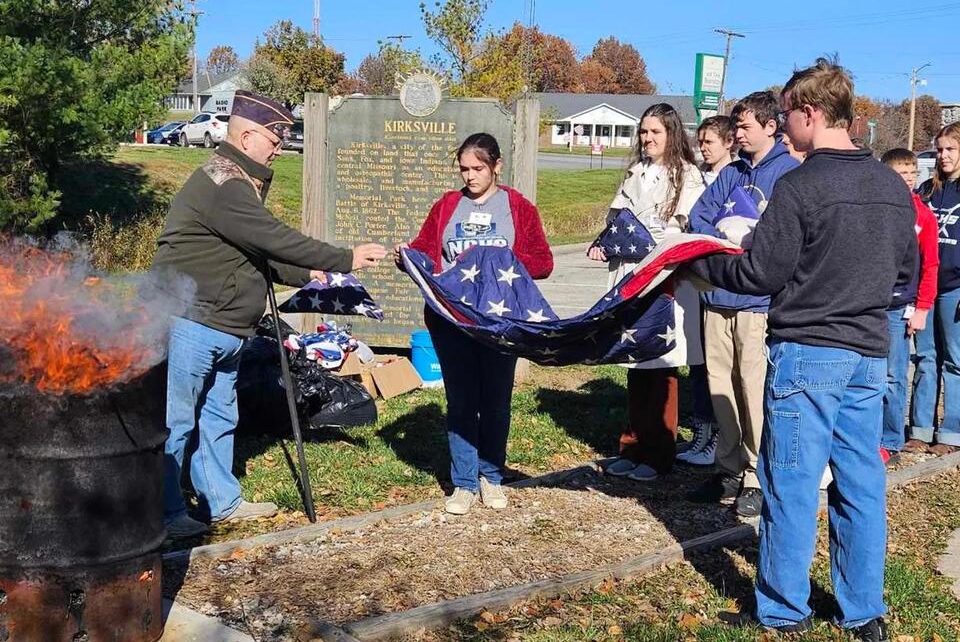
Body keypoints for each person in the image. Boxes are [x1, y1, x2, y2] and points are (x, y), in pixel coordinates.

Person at [689, 58, 915, 639]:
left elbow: (760, 273)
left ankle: (783, 609)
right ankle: (864, 611)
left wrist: (698, 264)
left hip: (807, 353)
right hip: (868, 355)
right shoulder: (891, 187)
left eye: (787, 113)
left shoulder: (800, 185)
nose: (784, 123)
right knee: (860, 484)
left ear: (810, 113)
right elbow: (905, 275)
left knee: (789, 483)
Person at [153, 90, 387, 540]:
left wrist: (309, 273)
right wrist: (344, 257)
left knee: (219, 418)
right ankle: (163, 513)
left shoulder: (240, 181)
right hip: (192, 322)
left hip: (226, 326)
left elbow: (257, 253)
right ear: (246, 137)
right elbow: (271, 237)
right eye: (274, 140)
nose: (279, 149)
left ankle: (221, 502)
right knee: (176, 422)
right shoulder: (222, 183)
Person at [394, 133, 553, 515]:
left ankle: (491, 476)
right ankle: (464, 483)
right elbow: (427, 252)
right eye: (464, 169)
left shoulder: (518, 207)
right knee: (461, 400)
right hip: (453, 320)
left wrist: (495, 263)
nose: (470, 176)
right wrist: (407, 257)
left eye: (478, 168)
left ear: (497, 166)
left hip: (500, 322)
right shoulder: (447, 206)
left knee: (495, 401)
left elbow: (543, 261)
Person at [685, 92, 799, 518]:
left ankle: (755, 474)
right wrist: (731, 237)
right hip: (718, 295)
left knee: (752, 389)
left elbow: (779, 234)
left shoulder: (788, 173)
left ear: (771, 126)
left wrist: (750, 237)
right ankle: (727, 468)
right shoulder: (731, 173)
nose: (738, 134)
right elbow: (700, 218)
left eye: (746, 126)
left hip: (757, 300)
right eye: (735, 126)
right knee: (720, 386)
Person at [589, 103, 706, 482]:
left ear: (672, 134)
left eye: (655, 132)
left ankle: (658, 454)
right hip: (630, 276)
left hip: (664, 279)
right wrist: (605, 243)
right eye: (643, 132)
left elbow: (684, 229)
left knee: (660, 366)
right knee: (634, 362)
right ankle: (633, 446)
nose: (647, 138)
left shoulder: (687, 176)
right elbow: (618, 220)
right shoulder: (635, 172)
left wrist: (650, 244)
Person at [676, 116, 737, 467]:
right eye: (700, 142)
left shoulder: (735, 179)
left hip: (722, 282)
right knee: (698, 360)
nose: (703, 148)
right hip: (695, 281)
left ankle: (719, 434)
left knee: (719, 364)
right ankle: (701, 431)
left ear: (728, 143)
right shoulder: (697, 177)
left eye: (710, 142)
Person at [880, 149, 938, 463]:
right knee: (867, 375)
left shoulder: (923, 215)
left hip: (899, 307)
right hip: (870, 303)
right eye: (901, 174)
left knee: (893, 375)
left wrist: (922, 307)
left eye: (912, 174)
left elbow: (931, 265)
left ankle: (890, 441)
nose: (908, 180)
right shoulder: (875, 210)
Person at [911, 122, 960, 454]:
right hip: (926, 287)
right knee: (926, 357)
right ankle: (920, 429)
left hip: (956, 288)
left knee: (955, 361)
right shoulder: (927, 190)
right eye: (940, 149)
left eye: (950, 149)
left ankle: (952, 432)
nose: (943, 155)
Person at [697, 115, 736, 183]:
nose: (702, 148)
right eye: (700, 142)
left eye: (708, 142)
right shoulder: (694, 176)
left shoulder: (740, 179)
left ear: (729, 142)